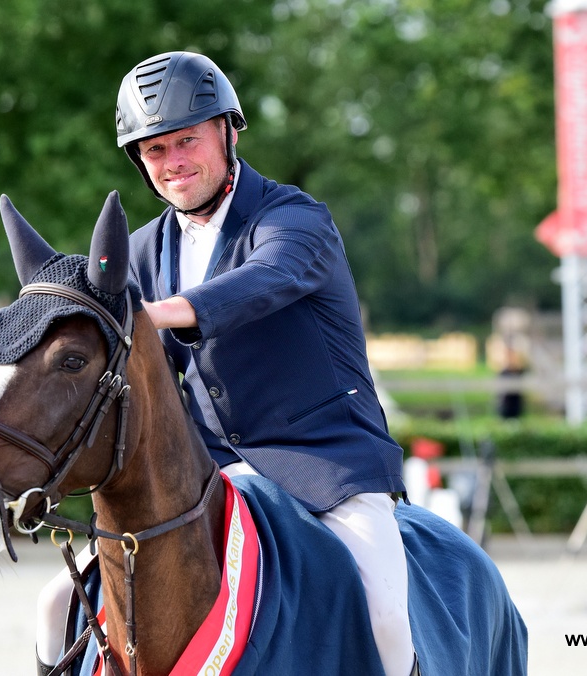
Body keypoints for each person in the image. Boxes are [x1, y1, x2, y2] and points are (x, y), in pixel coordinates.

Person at [121, 50, 412, 675]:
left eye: (187, 141)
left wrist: (153, 313)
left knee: (387, 617)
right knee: (58, 603)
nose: (173, 162)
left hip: (326, 464)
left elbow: (265, 280)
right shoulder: (142, 249)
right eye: (155, 150)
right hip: (207, 475)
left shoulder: (294, 218)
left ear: (229, 132)